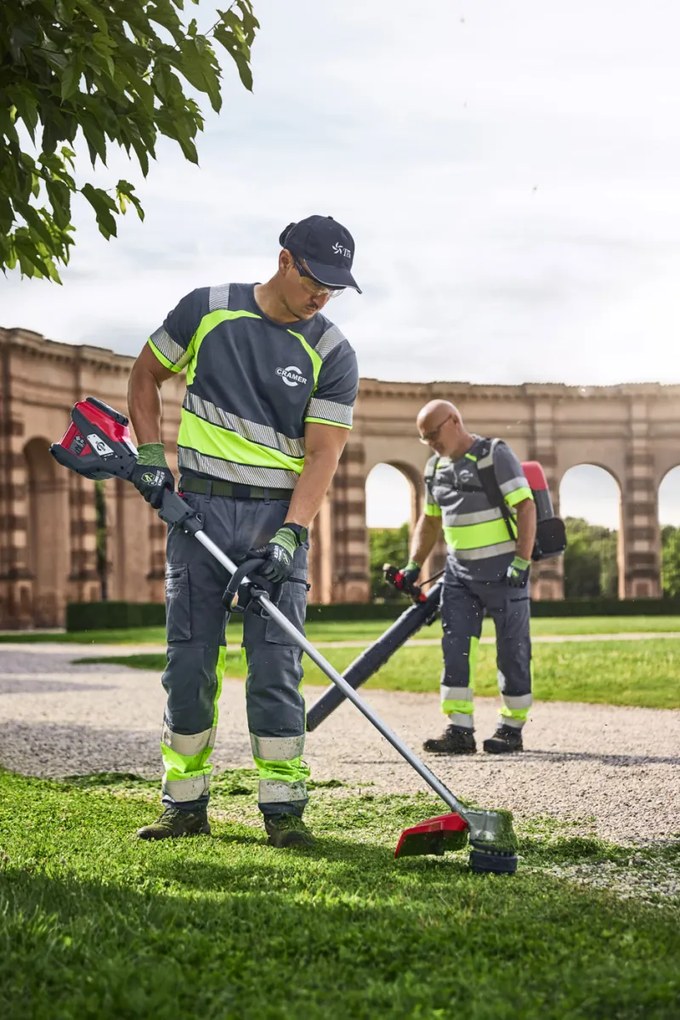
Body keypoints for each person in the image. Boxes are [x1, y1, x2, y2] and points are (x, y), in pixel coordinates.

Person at [127, 214, 361, 847]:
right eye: (316, 278)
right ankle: (184, 803)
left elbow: (323, 456)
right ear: (285, 260)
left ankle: (284, 809)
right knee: (190, 662)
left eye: (335, 286)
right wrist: (153, 459)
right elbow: (144, 376)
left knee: (276, 664)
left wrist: (290, 533)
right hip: (197, 510)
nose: (323, 295)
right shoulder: (206, 310)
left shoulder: (334, 352)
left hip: (275, 520)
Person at [399, 399, 537, 754]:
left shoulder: (494, 455)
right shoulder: (433, 469)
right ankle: (459, 729)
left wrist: (522, 559)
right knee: (455, 649)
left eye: (433, 434)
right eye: (424, 438)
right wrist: (414, 565)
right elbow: (429, 521)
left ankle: (511, 727)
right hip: (460, 576)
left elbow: (525, 506)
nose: (431, 442)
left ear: (454, 420)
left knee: (512, 650)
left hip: (505, 572)